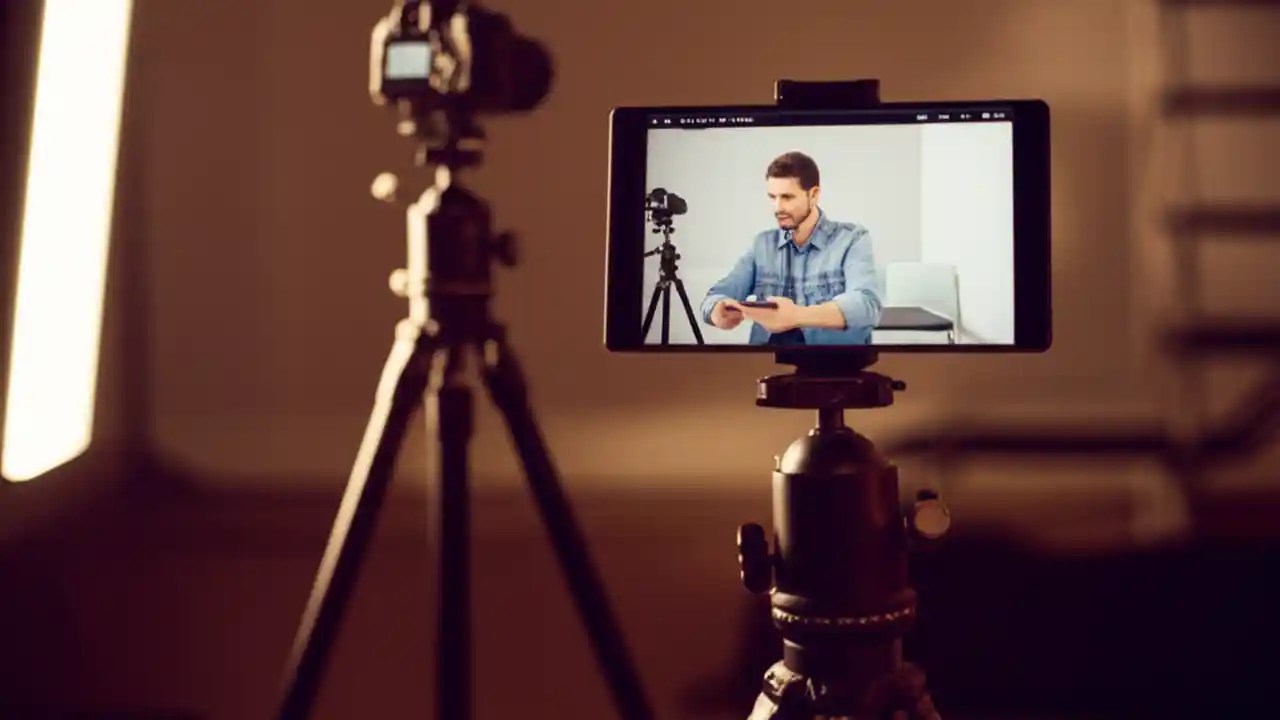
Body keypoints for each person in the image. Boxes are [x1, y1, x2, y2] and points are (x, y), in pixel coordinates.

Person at [700, 151, 882, 345]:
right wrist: (717, 310)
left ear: (814, 195)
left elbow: (866, 306)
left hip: (834, 361)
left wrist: (797, 316)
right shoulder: (762, 245)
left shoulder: (852, 239)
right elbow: (716, 295)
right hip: (767, 361)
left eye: (787, 197)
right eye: (773, 197)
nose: (778, 208)